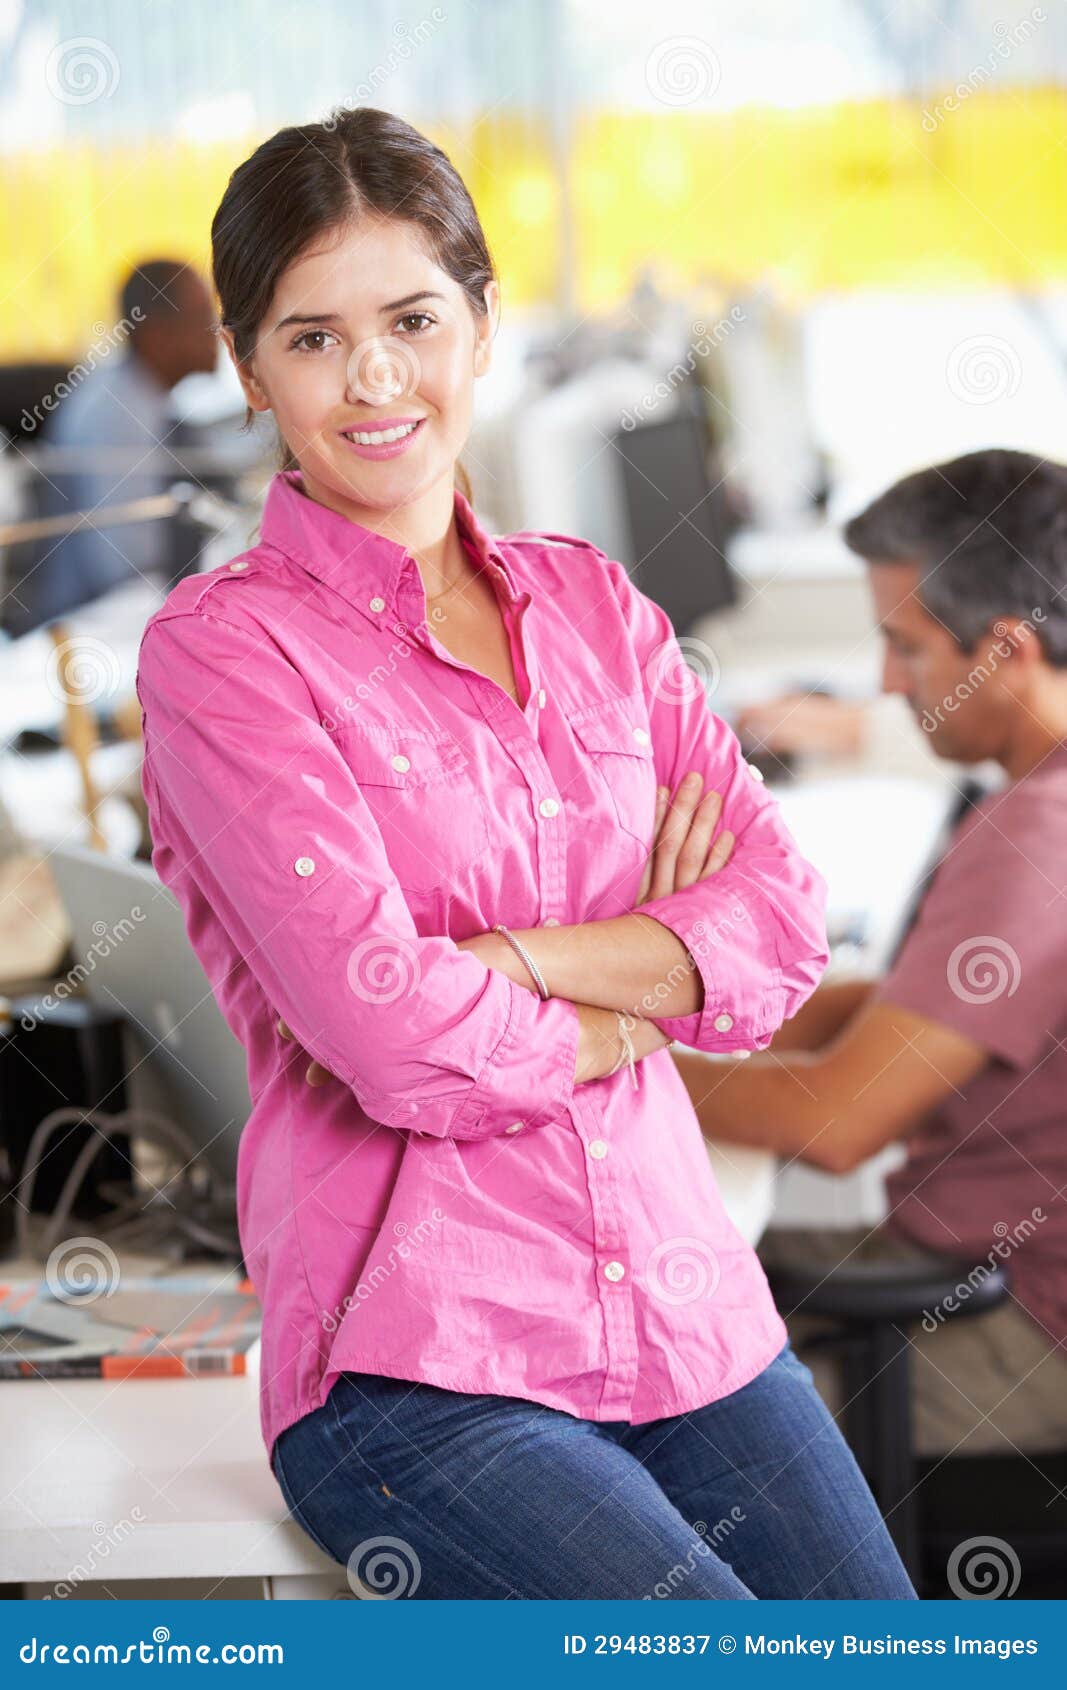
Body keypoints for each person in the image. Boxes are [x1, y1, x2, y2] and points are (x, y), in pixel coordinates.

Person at [135, 106, 915, 1601]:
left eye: (413, 319)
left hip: (686, 1316)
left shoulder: (595, 611)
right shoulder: (223, 656)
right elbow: (392, 1042)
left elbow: (775, 921)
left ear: (481, 326)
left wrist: (500, 968)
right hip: (415, 1367)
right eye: (311, 337)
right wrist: (641, 994)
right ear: (247, 367)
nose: (373, 380)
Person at [676, 449, 1067, 1460]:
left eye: (906, 647)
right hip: (982, 1278)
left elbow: (838, 1122)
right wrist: (671, 1009)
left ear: (1005, 649)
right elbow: (894, 1006)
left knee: (640, 1435)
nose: (888, 683)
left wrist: (615, 1068)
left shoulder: (1036, 835)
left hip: (1014, 1334)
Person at [24, 259, 217, 626]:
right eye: (202, 316)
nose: (218, 331)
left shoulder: (141, 398)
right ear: (157, 335)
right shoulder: (114, 418)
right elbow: (126, 568)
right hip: (91, 632)